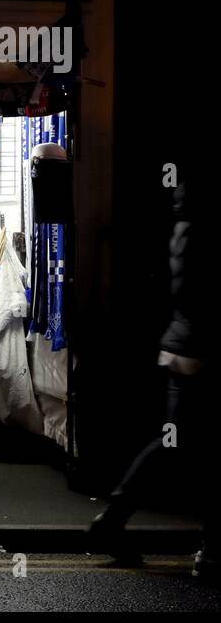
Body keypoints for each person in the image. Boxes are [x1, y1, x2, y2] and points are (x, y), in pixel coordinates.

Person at [88, 172, 215, 582]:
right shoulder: (204, 229)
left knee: (172, 442)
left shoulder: (184, 227)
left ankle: (115, 516)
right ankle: (210, 553)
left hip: (180, 348)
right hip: (200, 351)